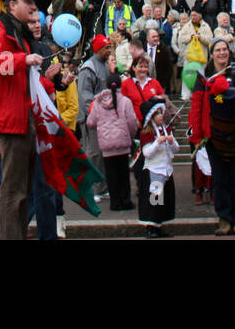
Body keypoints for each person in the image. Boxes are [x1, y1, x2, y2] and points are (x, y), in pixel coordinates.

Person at [0, 0, 56, 239]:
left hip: (24, 119)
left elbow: (26, 80)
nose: (33, 7)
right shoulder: (1, 36)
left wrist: (52, 80)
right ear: (12, 5)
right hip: (12, 122)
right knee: (13, 192)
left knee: (22, 192)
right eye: (27, 3)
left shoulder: (19, 35)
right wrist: (23, 60)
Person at [189, 39, 235, 234]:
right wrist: (197, 135)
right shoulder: (203, 77)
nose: (222, 53)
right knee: (220, 179)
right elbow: (197, 106)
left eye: (225, 49)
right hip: (214, 135)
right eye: (218, 50)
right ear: (212, 54)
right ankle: (224, 219)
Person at [87, 71, 139, 212]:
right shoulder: (125, 101)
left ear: (106, 85)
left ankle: (115, 203)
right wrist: (130, 135)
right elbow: (132, 122)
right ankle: (125, 200)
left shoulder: (98, 102)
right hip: (122, 143)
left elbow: (90, 122)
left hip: (106, 145)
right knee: (123, 174)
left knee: (111, 175)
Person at [135, 100, 179, 237]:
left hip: (166, 170)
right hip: (154, 171)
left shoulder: (167, 130)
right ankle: (151, 227)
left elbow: (176, 149)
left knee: (164, 201)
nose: (161, 116)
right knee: (154, 200)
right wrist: (156, 143)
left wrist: (171, 142)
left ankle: (160, 225)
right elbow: (146, 153)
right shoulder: (147, 133)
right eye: (157, 114)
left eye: (161, 113)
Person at [75, 35, 111, 197]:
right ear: (98, 49)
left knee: (102, 153)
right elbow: (85, 96)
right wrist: (96, 114)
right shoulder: (88, 68)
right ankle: (91, 188)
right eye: (106, 48)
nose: (109, 51)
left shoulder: (104, 65)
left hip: (102, 117)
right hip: (90, 118)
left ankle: (101, 186)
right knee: (93, 152)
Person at [173, 9, 213, 100]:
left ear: (200, 16)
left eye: (195, 15)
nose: (193, 17)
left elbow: (210, 40)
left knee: (201, 76)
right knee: (188, 75)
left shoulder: (205, 26)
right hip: (189, 56)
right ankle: (185, 95)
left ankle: (200, 94)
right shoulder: (187, 26)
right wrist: (190, 37)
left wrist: (201, 37)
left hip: (201, 56)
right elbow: (182, 39)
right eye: (192, 15)